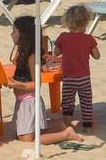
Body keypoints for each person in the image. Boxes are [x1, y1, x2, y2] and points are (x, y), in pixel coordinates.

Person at [8, 15, 81, 144]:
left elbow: (37, 85)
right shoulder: (23, 52)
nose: (11, 34)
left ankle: (66, 134)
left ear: (24, 35)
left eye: (14, 31)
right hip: (22, 101)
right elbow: (14, 62)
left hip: (30, 101)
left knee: (28, 140)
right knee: (20, 136)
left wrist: (17, 85)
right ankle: (59, 127)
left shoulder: (32, 57)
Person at [53, 6, 99, 130]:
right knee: (86, 103)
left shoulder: (63, 37)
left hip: (69, 78)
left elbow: (55, 52)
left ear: (68, 22)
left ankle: (68, 127)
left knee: (67, 103)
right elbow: (97, 56)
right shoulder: (88, 38)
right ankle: (88, 128)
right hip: (84, 78)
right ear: (86, 22)